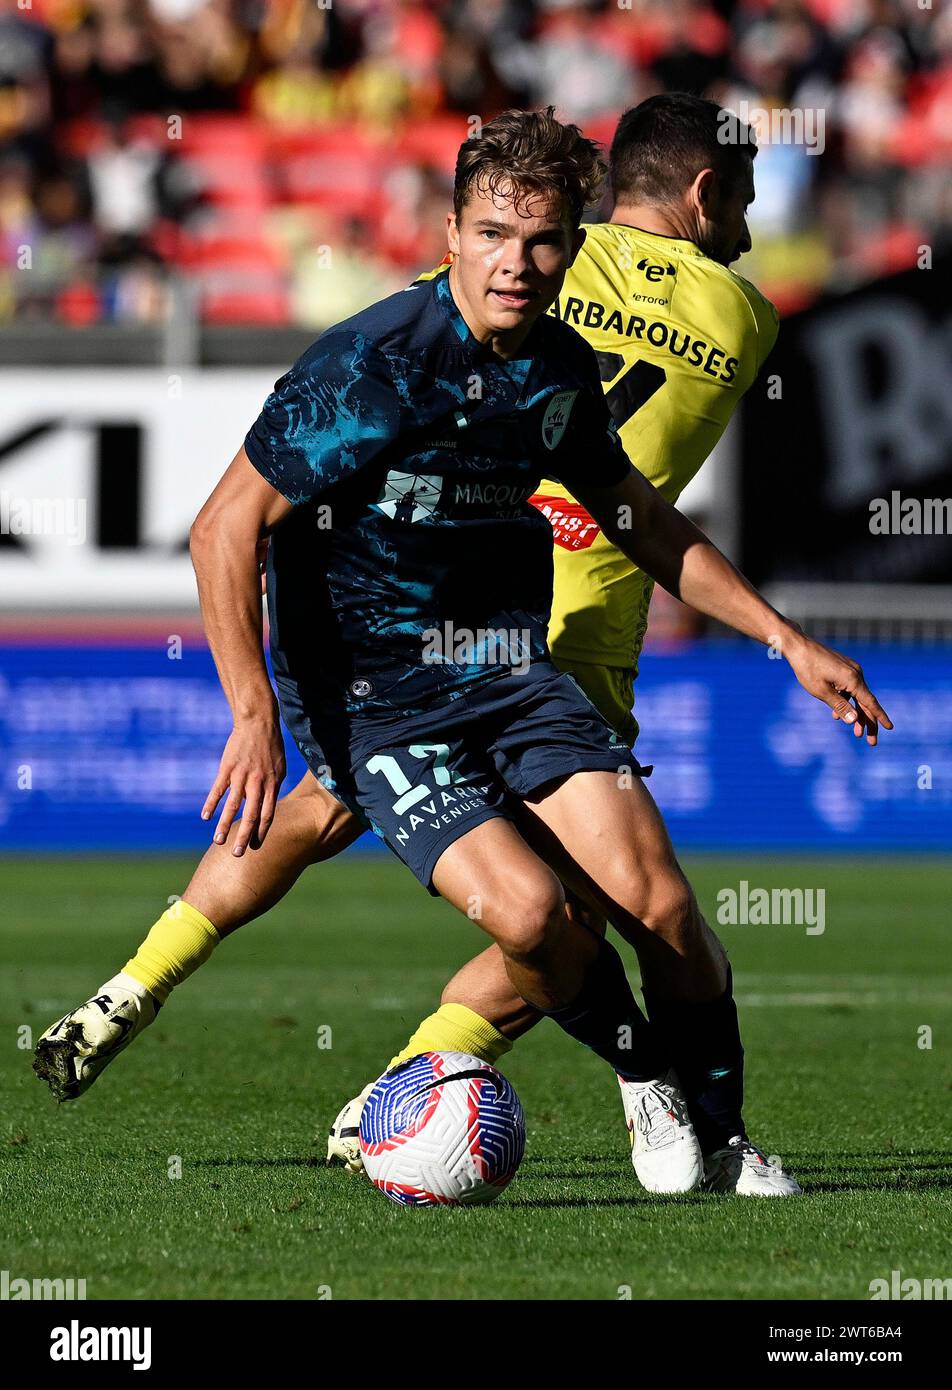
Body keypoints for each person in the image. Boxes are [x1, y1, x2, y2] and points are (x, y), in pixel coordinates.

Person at [35, 103, 890, 1197]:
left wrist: (786, 640)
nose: (514, 264)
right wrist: (252, 713)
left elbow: (634, 513)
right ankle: (642, 1074)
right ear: (449, 234)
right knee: (532, 913)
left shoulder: (558, 366)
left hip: (510, 671)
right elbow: (223, 528)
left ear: (574, 247)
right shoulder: (375, 362)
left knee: (662, 906)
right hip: (379, 697)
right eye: (491, 234)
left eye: (540, 241)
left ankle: (721, 1149)